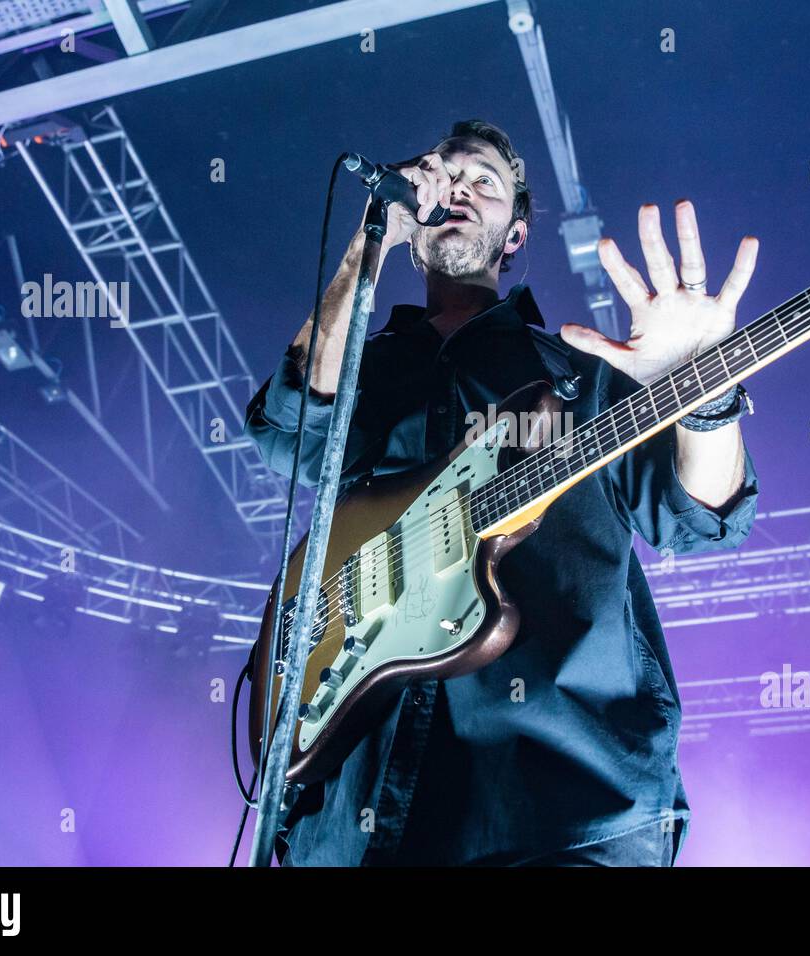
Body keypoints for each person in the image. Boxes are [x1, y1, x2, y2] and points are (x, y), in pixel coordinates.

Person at [244, 119, 761, 866]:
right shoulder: (367, 370)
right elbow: (289, 431)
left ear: (515, 234)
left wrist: (705, 389)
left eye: (483, 180)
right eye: (441, 174)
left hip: (558, 809)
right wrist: (371, 238)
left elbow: (704, 517)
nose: (457, 187)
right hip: (346, 822)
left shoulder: (581, 372)